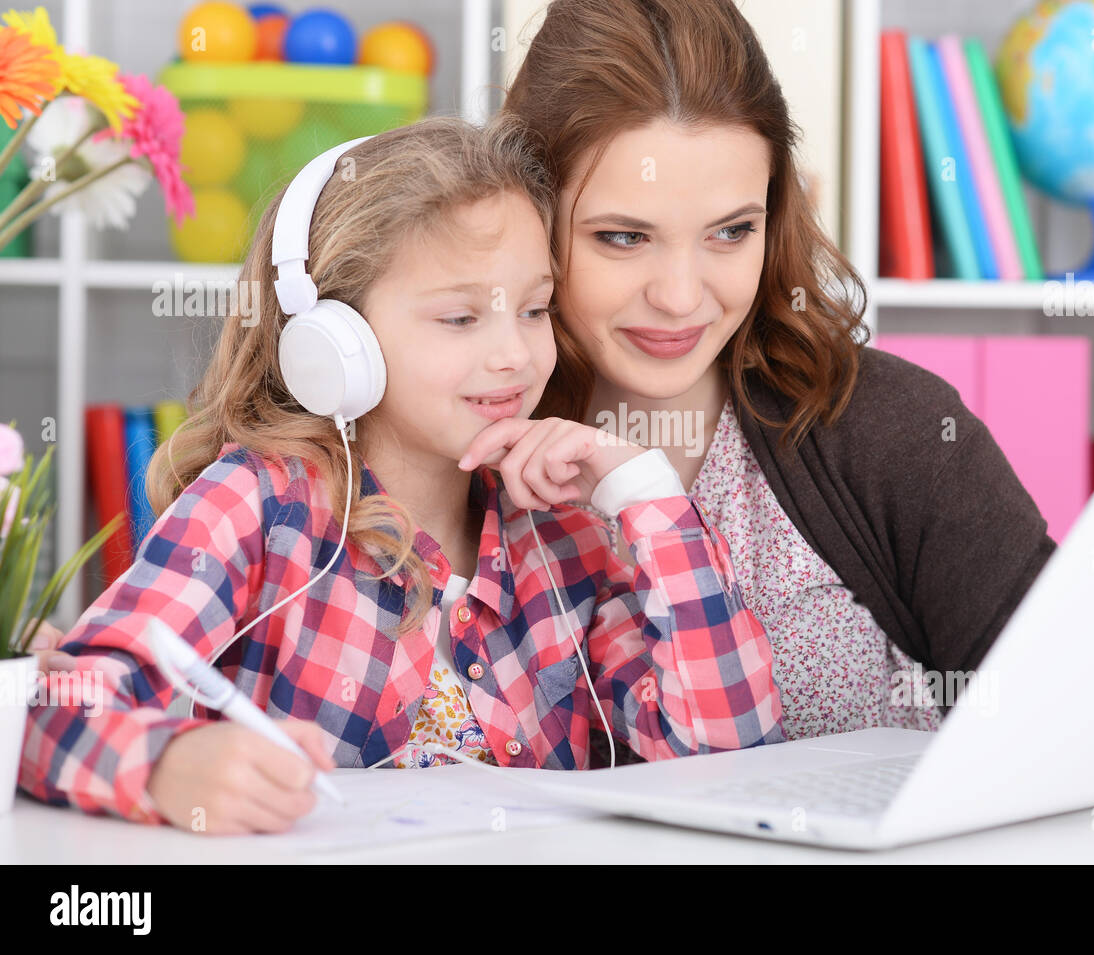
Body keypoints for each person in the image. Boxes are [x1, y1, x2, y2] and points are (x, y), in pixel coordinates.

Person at [496, 0, 1094, 781]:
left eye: (731, 231)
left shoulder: (888, 429)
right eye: (624, 237)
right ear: (530, 211)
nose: (680, 295)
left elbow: (1074, 705)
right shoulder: (463, 441)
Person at [19, 115, 784, 835]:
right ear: (333, 341)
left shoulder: (562, 538)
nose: (515, 356)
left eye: (534, 309)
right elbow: (53, 706)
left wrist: (644, 493)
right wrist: (165, 766)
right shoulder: (258, 506)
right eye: (460, 318)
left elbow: (728, 756)